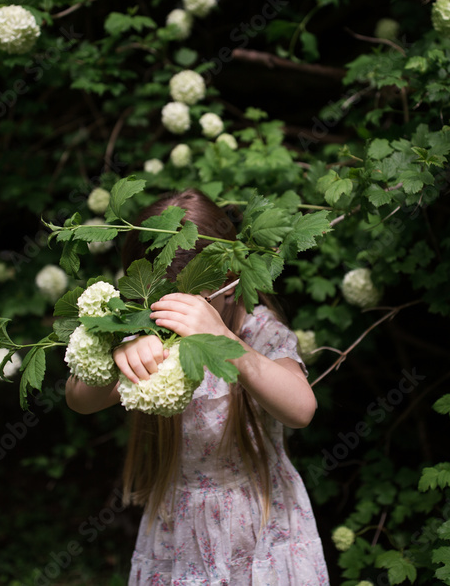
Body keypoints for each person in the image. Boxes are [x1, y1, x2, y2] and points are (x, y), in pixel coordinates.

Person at [65, 188, 330, 585]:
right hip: (179, 526)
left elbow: (301, 409)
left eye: (190, 302)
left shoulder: (258, 332)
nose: (171, 322)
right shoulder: (148, 337)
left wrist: (228, 344)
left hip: (259, 521)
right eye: (156, 305)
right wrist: (126, 356)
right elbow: (78, 400)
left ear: (227, 280)